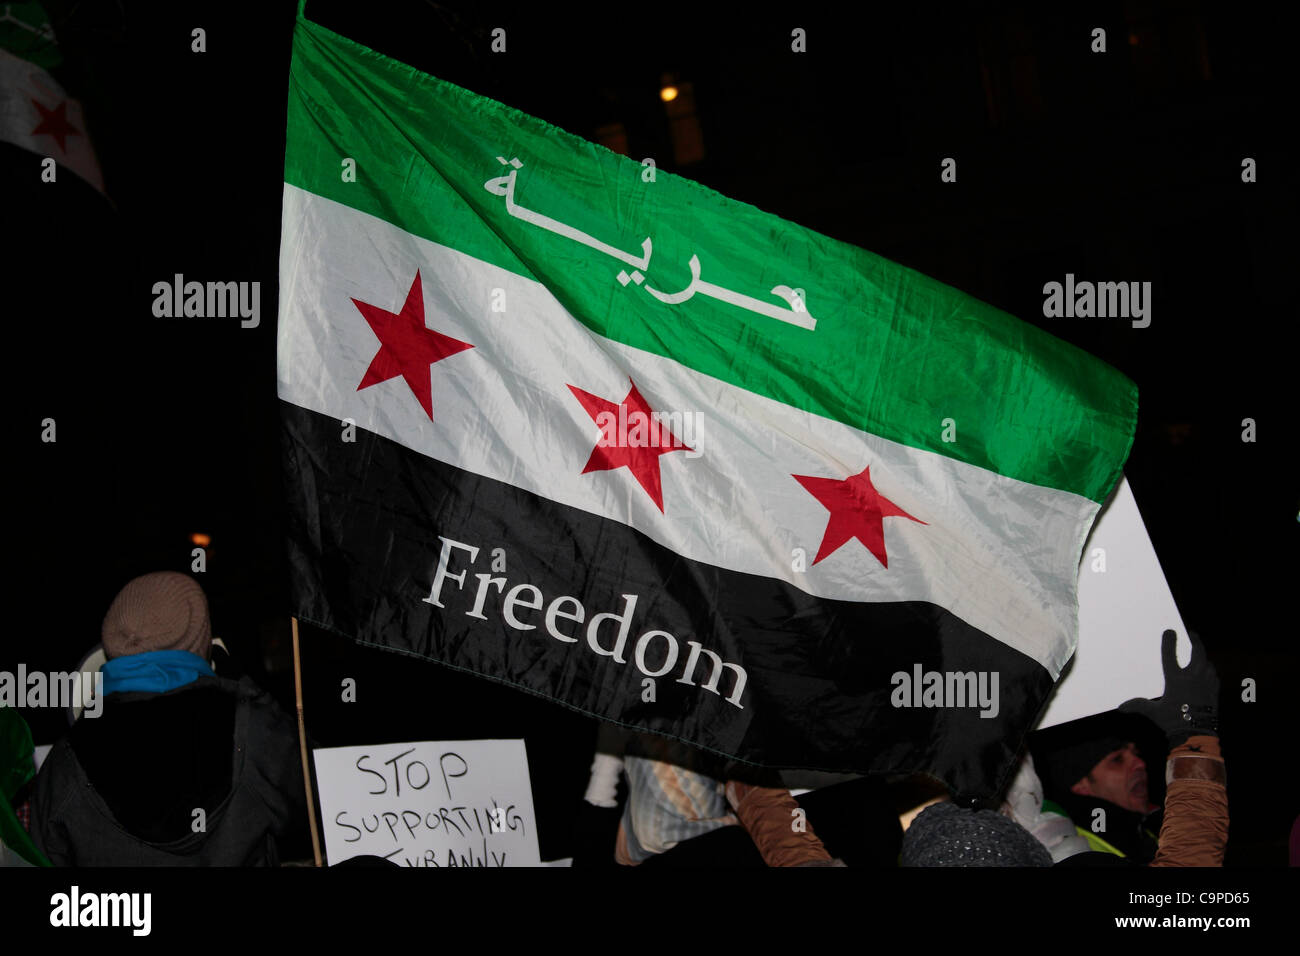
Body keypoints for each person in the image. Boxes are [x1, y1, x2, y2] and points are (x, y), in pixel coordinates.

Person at [31, 571, 307, 865]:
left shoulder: (66, 759)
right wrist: (244, 686)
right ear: (199, 638)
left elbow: (37, 858)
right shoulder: (255, 727)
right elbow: (318, 810)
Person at [1031, 630, 1227, 866]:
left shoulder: (1146, 832)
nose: (1140, 764)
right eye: (1117, 760)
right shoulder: (1068, 850)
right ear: (1081, 785)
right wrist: (1194, 732)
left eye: (1135, 754)